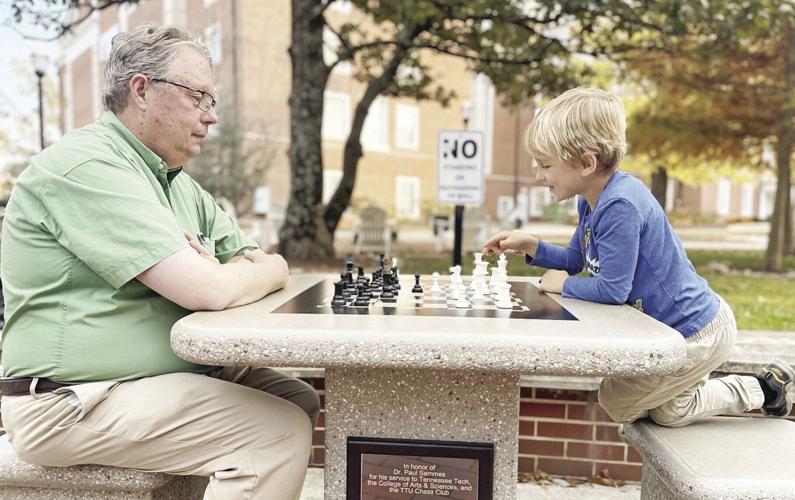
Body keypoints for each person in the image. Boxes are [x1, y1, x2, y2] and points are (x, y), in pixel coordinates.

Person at [0, 24, 318, 500]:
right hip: (70, 400)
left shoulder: (174, 180)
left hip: (148, 381)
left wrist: (254, 270)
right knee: (275, 432)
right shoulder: (89, 167)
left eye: (213, 102)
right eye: (198, 97)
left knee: (297, 396)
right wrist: (228, 275)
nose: (211, 117)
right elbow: (208, 290)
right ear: (142, 90)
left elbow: (267, 263)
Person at [483, 87, 793, 427]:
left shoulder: (620, 205)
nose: (538, 176)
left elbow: (613, 289)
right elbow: (576, 257)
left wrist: (564, 285)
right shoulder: (591, 198)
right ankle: (755, 388)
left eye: (545, 165)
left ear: (586, 163)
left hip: (696, 331)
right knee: (664, 411)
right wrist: (532, 245)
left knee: (620, 401)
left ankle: (746, 386)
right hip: (674, 329)